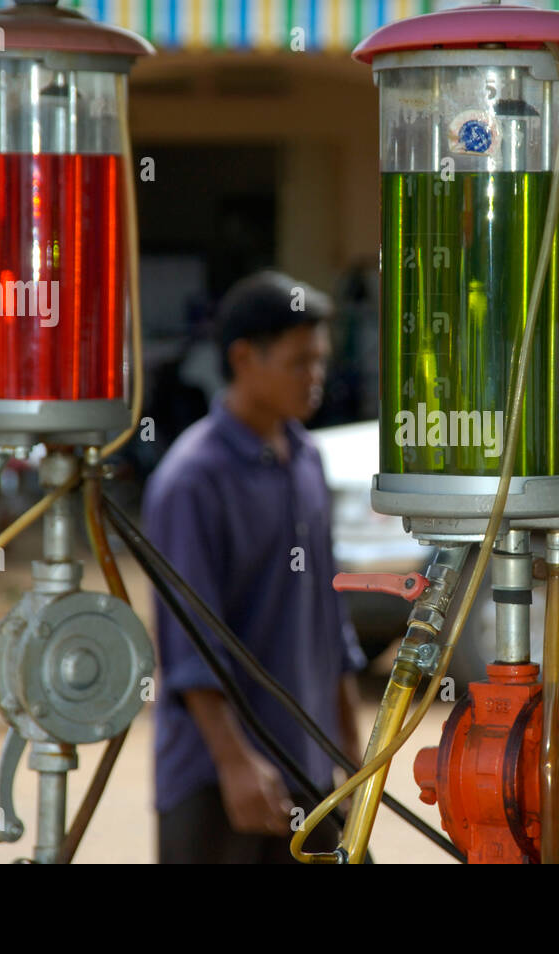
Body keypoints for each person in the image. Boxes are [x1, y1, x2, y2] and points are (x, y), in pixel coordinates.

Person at [143, 270, 367, 863]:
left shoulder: (307, 458)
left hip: (310, 773)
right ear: (243, 357)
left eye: (319, 360)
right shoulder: (192, 480)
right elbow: (191, 646)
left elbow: (329, 617)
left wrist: (350, 744)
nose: (315, 377)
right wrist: (235, 762)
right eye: (299, 362)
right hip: (220, 783)